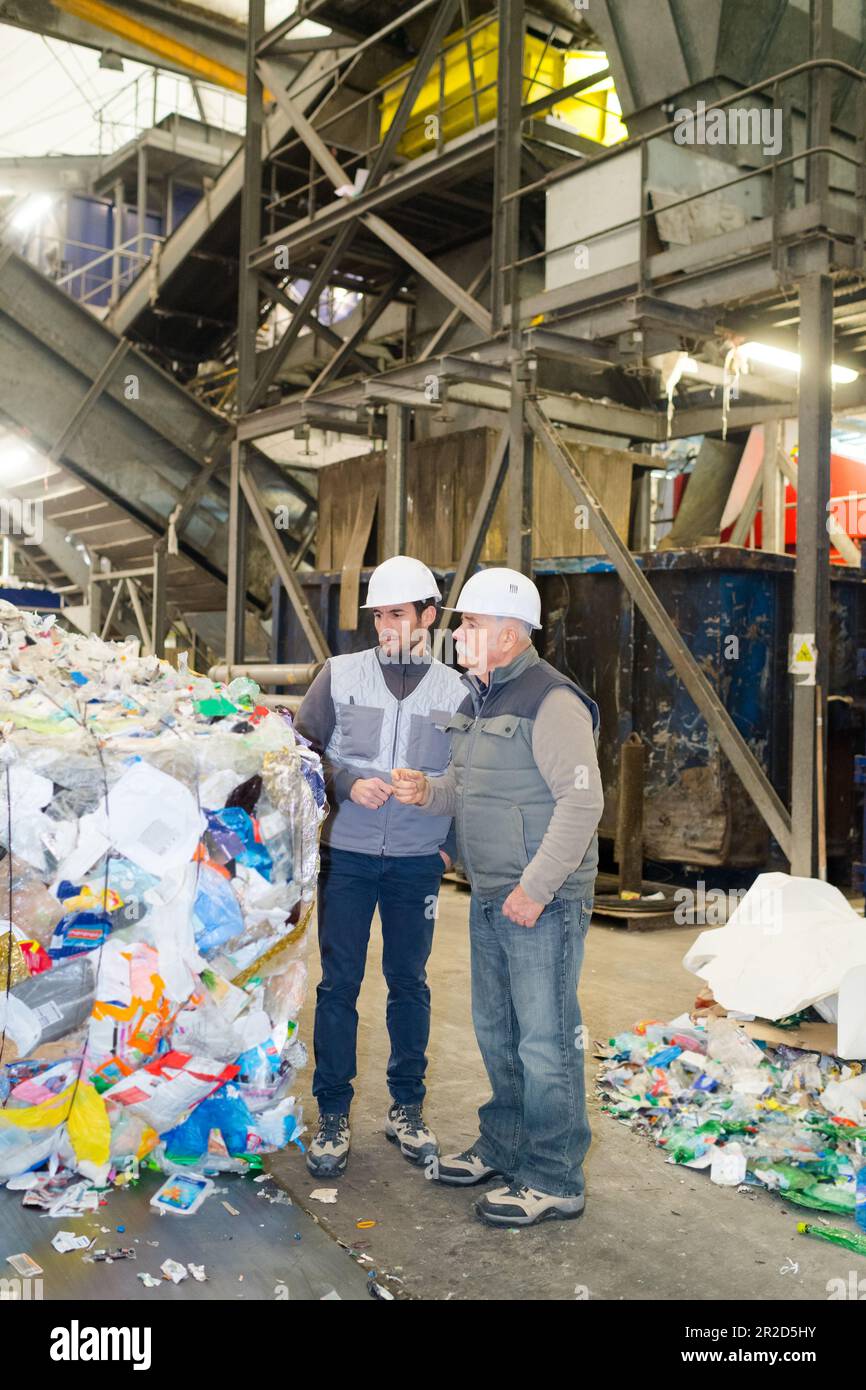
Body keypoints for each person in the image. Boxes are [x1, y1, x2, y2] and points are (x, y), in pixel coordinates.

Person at [392, 567, 603, 1228]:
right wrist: (429, 793)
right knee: (498, 1033)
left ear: (509, 636)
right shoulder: (477, 697)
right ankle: (506, 1145)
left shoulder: (552, 701)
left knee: (545, 1043)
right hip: (490, 893)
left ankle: (554, 1175)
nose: (459, 634)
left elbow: (583, 800)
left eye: (471, 624)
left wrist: (536, 890)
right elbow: (464, 783)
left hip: (540, 902)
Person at [294, 555, 467, 1178]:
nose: (385, 626)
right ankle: (332, 1116)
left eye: (397, 614)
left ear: (428, 615)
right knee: (338, 985)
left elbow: (473, 777)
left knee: (409, 983)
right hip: (348, 856)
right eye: (379, 615)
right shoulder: (337, 676)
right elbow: (299, 753)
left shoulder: (458, 691)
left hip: (418, 863)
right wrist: (343, 783)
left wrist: (453, 848)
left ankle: (407, 1109)